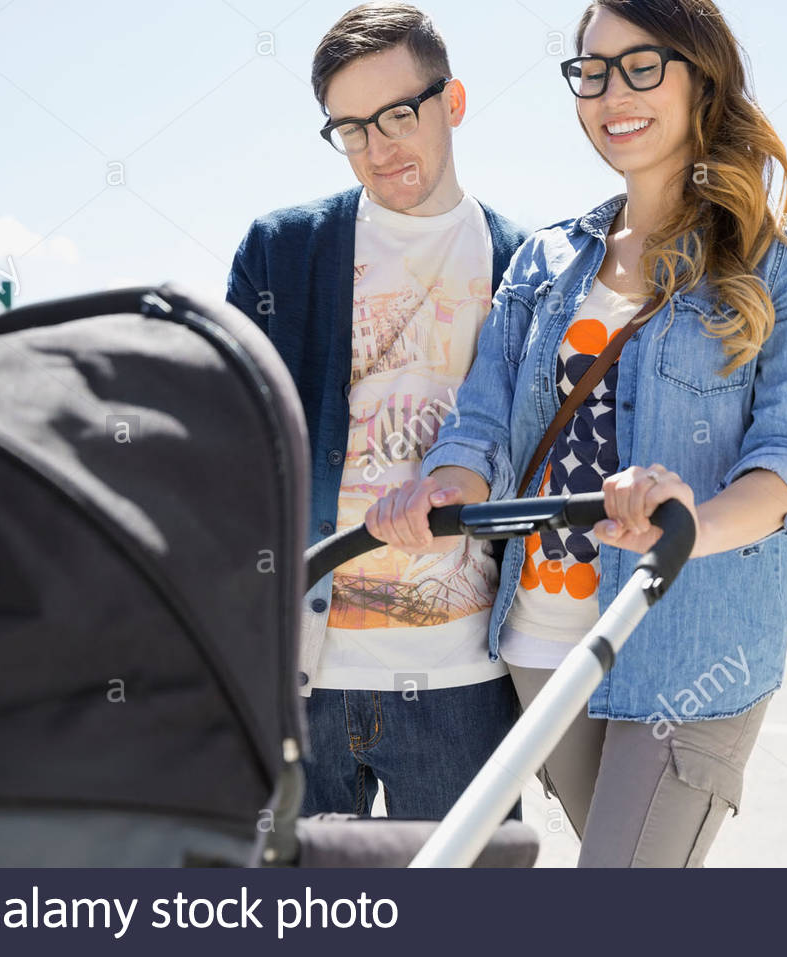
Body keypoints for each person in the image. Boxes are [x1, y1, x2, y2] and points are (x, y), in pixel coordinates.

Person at [366, 0, 787, 865]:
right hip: (540, 646)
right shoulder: (546, 260)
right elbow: (480, 425)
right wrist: (443, 489)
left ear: (703, 76)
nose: (610, 92)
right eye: (591, 71)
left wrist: (686, 515)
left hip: (684, 650)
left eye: (641, 65)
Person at [226, 2, 528, 821]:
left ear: (453, 102)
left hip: (464, 679)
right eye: (350, 127)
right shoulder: (281, 251)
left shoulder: (523, 262)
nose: (377, 146)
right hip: (304, 676)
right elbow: (233, 443)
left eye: (397, 114)